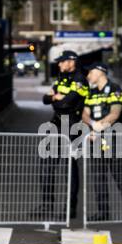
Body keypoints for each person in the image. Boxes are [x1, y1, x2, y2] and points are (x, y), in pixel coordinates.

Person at [83, 63, 122, 221]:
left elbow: (115, 114)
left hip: (114, 138)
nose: (88, 76)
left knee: (118, 174)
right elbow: (85, 113)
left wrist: (97, 127)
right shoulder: (92, 92)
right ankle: (103, 212)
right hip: (97, 138)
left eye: (91, 72)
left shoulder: (115, 89)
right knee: (98, 175)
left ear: (100, 72)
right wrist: (93, 125)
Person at [39, 50, 87, 217]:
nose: (59, 64)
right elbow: (45, 99)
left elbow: (68, 103)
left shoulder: (80, 80)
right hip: (56, 125)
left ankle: (70, 208)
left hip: (72, 128)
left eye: (62, 61)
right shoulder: (61, 78)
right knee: (47, 166)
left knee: (70, 168)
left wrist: (58, 99)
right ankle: (46, 206)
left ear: (71, 62)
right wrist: (55, 98)